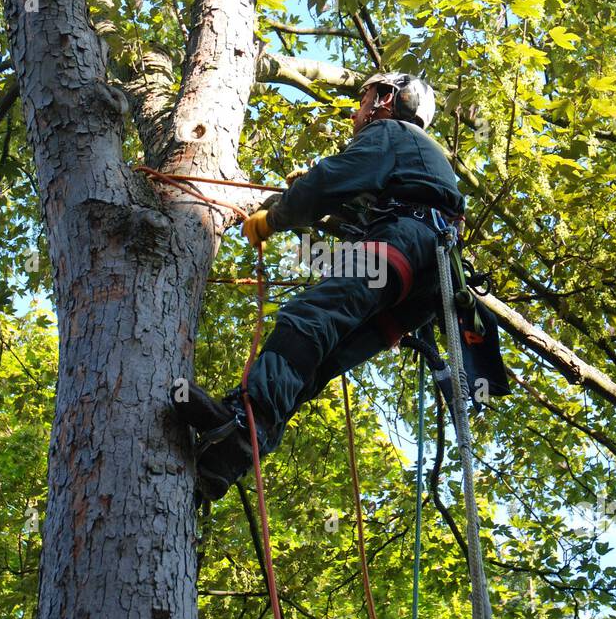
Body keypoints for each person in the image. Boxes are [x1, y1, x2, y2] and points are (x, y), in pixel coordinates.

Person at [171, 71, 466, 499]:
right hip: (423, 280)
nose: (356, 110)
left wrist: (274, 218)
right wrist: (308, 197)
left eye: (364, 99)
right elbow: (356, 206)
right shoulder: (419, 155)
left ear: (386, 99)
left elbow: (328, 184)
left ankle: (245, 421)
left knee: (308, 320)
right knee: (318, 358)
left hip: (405, 242)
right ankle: (230, 455)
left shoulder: (389, 132)